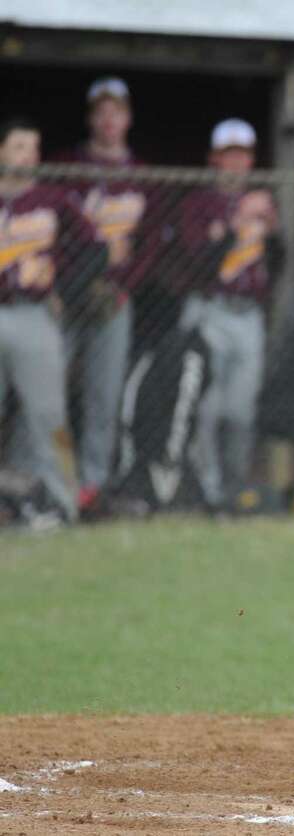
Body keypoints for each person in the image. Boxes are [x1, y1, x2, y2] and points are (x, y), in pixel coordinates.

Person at [52, 77, 151, 513]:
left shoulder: (143, 177)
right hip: (67, 296)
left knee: (102, 395)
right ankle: (49, 478)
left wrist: (124, 286)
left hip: (115, 299)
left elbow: (151, 244)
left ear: (128, 119)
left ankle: (93, 484)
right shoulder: (65, 167)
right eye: (102, 111)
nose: (110, 120)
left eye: (118, 112)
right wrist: (68, 284)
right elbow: (50, 233)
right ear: (92, 117)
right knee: (47, 391)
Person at [0, 117, 106, 523]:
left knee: (49, 416)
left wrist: (65, 285)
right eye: (20, 146)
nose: (29, 155)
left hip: (34, 316)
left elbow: (96, 249)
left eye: (34, 147)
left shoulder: (53, 199)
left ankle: (62, 505)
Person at [177, 118, 281, 509]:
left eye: (243, 155)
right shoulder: (199, 204)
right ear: (215, 159)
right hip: (209, 310)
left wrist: (272, 232)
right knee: (206, 409)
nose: (236, 163)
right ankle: (209, 489)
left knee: (240, 411)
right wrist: (236, 224)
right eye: (229, 155)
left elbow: (279, 266)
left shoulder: (262, 202)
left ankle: (235, 488)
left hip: (248, 315)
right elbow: (198, 266)